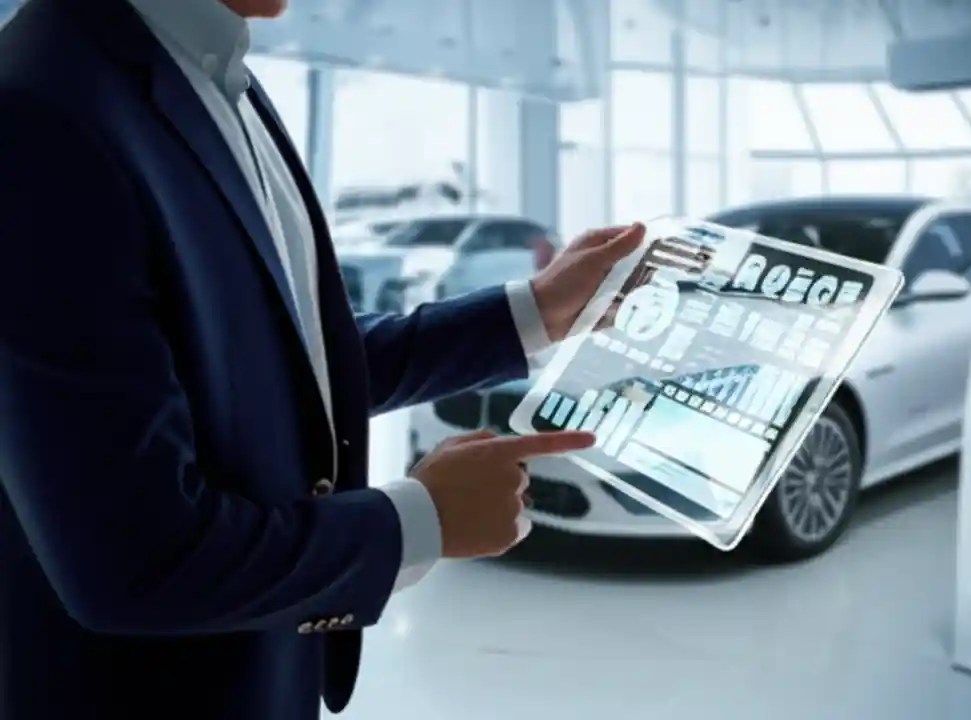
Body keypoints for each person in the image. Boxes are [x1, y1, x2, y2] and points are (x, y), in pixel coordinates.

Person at [0, 0, 644, 717]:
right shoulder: (36, 113)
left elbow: (277, 367)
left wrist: (532, 311)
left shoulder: (213, 68)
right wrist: (417, 521)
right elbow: (134, 560)